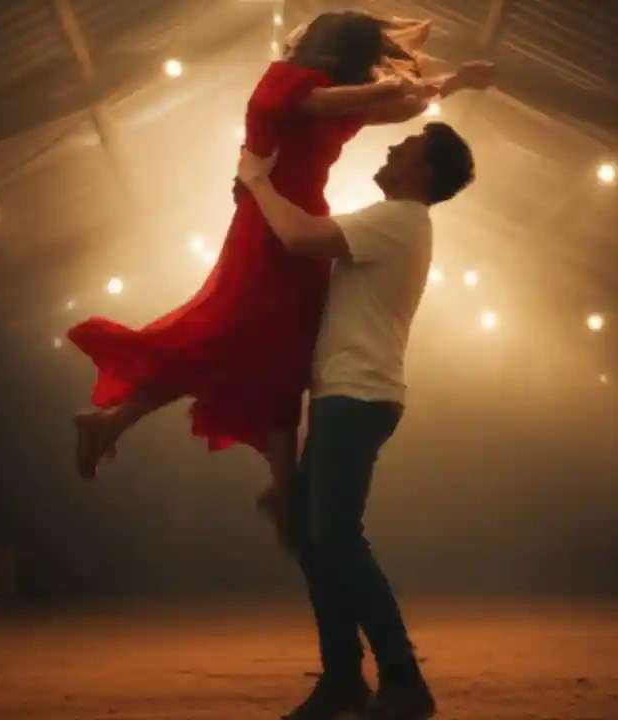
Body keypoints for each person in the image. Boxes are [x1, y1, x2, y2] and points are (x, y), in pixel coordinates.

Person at [68, 10, 494, 544]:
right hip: (271, 227)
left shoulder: (339, 99)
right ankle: (281, 492)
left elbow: (398, 104)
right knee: (225, 337)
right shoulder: (286, 83)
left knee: (283, 357)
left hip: (297, 222)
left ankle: (253, 477)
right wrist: (429, 83)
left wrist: (448, 82)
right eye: (366, 59)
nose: (368, 71)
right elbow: (367, 100)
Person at [235, 121, 475, 719]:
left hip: (357, 395)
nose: (393, 146)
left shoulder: (398, 219)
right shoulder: (398, 221)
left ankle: (402, 677)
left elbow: (297, 235)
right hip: (349, 394)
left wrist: (257, 183)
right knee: (315, 544)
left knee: (335, 538)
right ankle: (343, 675)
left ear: (420, 173)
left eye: (407, 147)